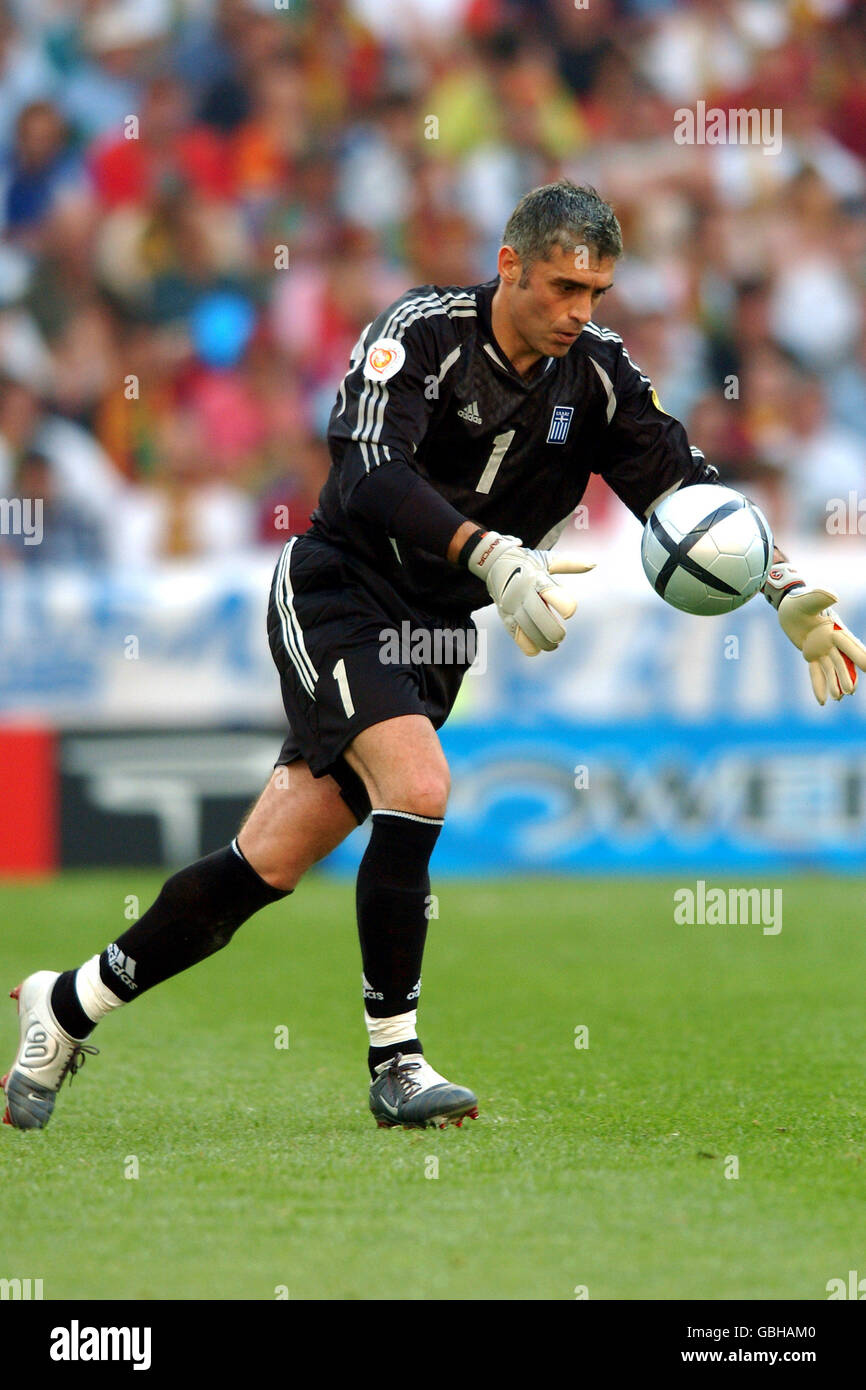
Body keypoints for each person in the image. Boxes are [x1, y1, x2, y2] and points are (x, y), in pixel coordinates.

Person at [4, 181, 865, 1133]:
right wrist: (490, 553)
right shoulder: (420, 335)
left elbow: (687, 487)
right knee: (419, 785)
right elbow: (369, 472)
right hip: (339, 592)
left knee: (269, 863)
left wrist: (785, 591)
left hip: (440, 631)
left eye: (597, 294)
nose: (579, 313)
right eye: (562, 288)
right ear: (509, 267)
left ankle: (70, 1003)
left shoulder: (601, 378)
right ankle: (397, 1063)